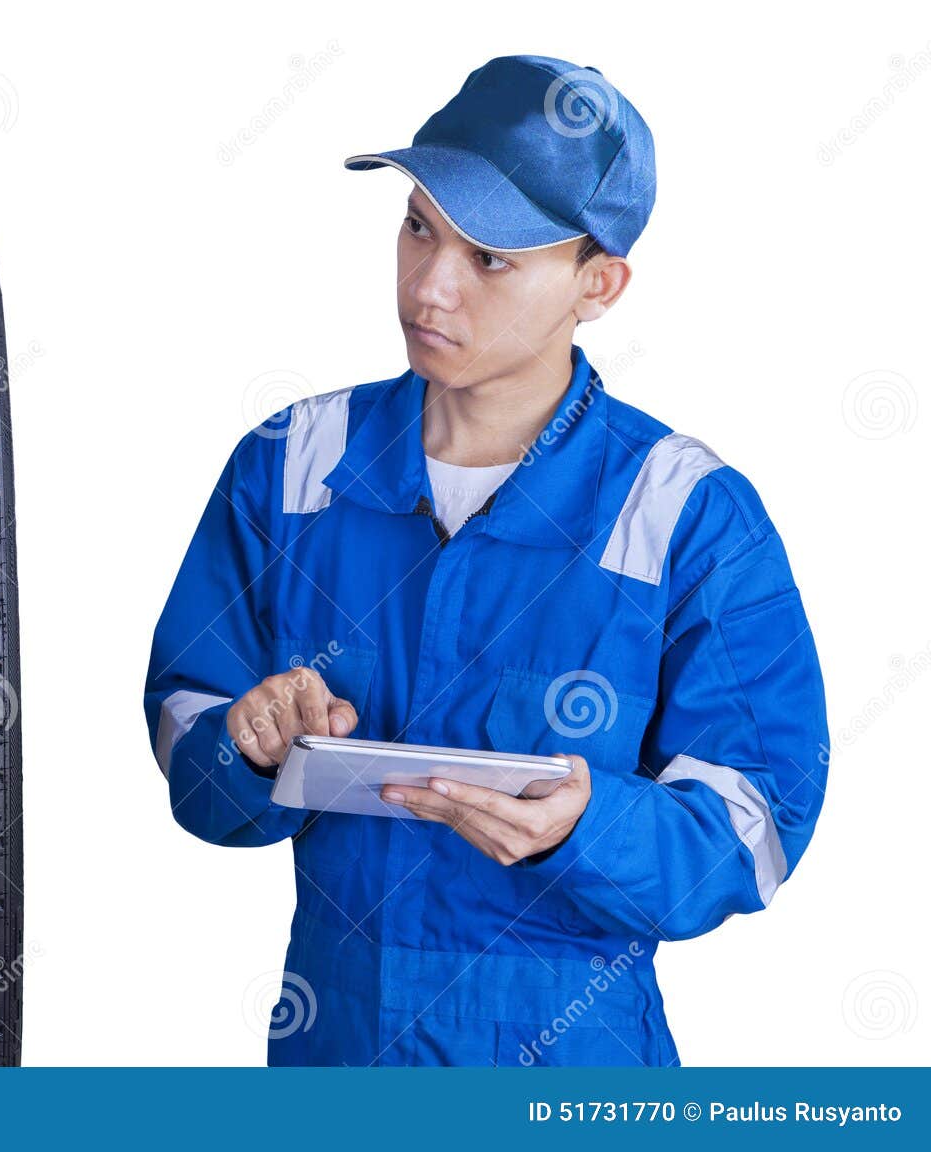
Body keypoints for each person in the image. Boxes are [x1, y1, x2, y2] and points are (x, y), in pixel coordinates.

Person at [142, 54, 828, 1066]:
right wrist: (243, 742)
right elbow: (184, 718)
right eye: (418, 225)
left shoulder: (682, 512)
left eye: (491, 257)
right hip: (332, 1052)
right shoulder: (291, 466)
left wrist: (589, 824)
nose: (430, 285)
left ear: (599, 284)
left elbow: (756, 823)